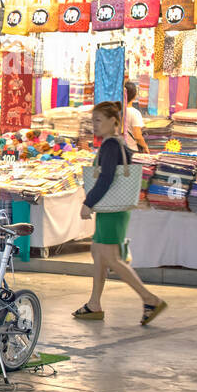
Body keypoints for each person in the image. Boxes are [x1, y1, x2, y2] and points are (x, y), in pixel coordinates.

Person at [74, 101, 167, 326]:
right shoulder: (115, 143)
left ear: (113, 121)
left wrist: (89, 203)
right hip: (112, 209)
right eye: (93, 120)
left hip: (112, 209)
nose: (94, 125)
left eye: (98, 120)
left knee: (112, 259)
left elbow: (106, 179)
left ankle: (150, 299)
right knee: (99, 253)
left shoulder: (111, 146)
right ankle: (94, 303)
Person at [123, 80, 149, 154]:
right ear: (135, 96)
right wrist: (145, 146)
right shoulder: (135, 113)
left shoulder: (118, 111)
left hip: (120, 149)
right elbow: (137, 136)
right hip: (132, 150)